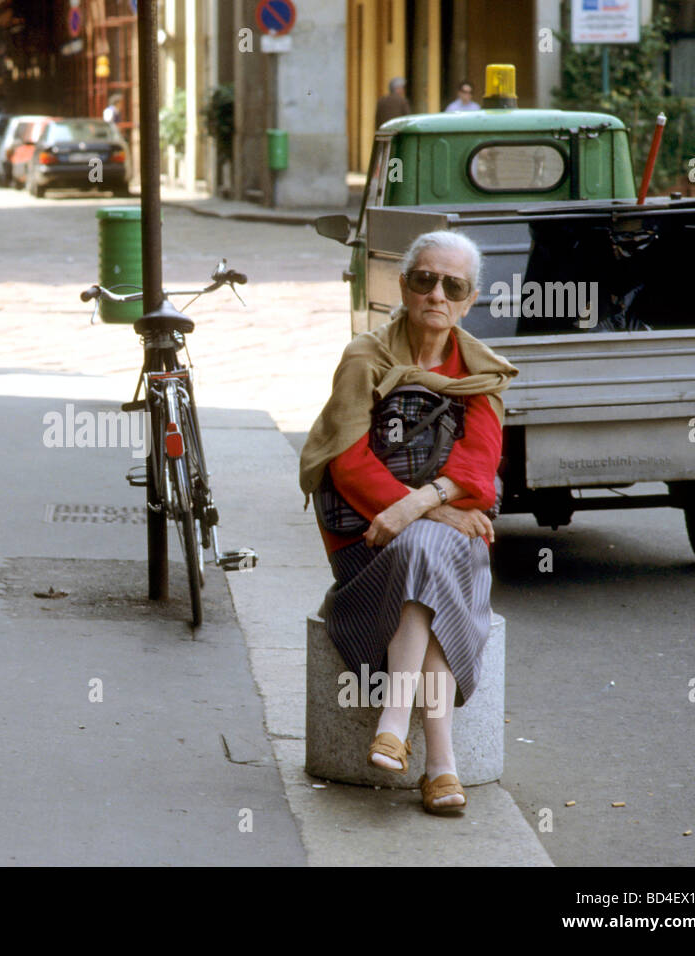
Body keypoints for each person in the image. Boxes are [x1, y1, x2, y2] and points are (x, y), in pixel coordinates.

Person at [298, 230, 517, 814]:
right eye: (424, 280)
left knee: (426, 546)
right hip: (366, 548)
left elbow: (479, 468)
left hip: (438, 543)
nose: (436, 294)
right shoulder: (365, 358)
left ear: (469, 300)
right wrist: (431, 508)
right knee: (428, 548)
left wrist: (416, 506)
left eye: (453, 285)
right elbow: (346, 462)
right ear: (403, 286)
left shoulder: (482, 373)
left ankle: (396, 721)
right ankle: (441, 766)